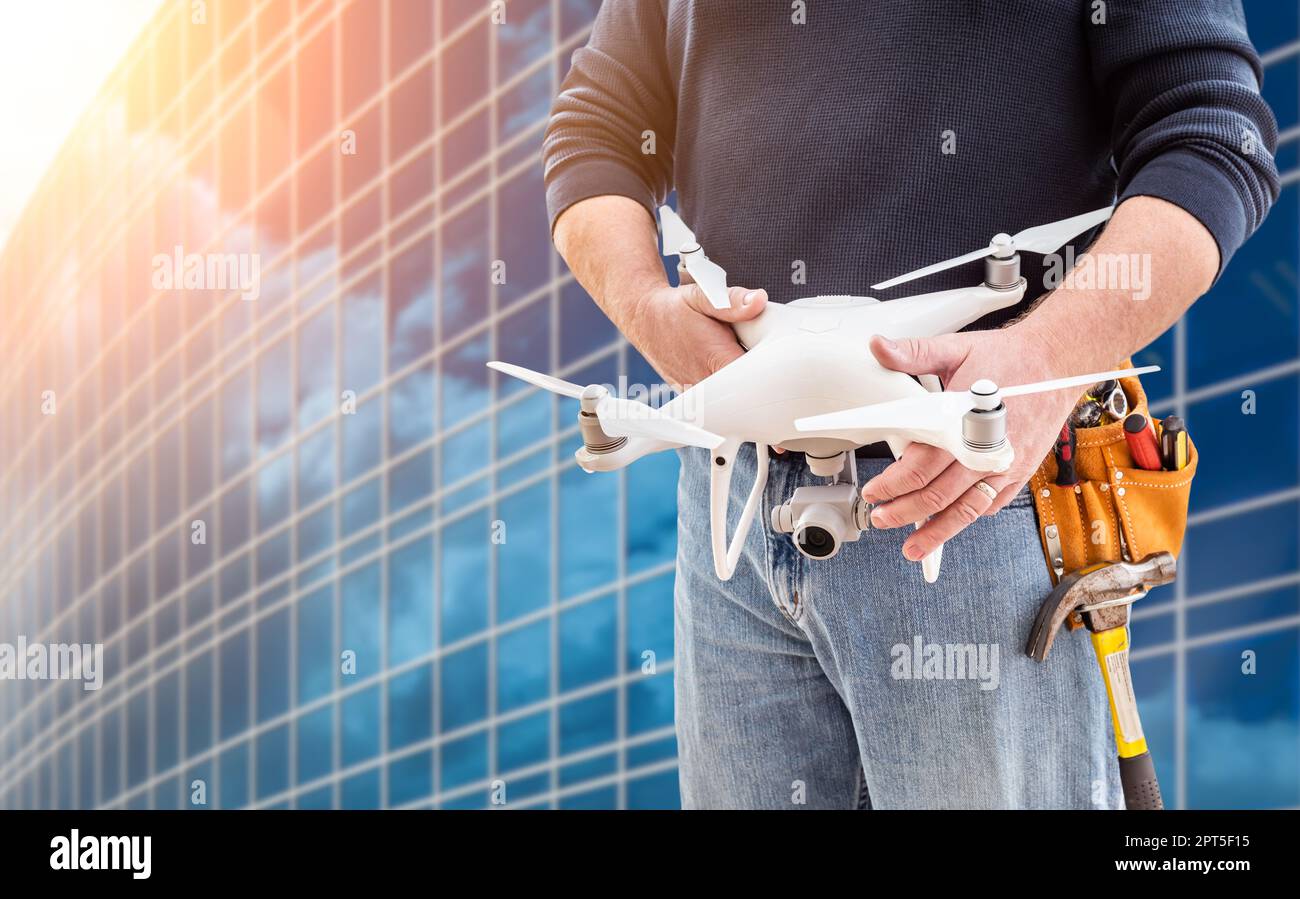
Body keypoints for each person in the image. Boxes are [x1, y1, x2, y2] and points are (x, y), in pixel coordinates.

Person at [540, 0, 1278, 808]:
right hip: (734, 518)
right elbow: (596, 131)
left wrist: (1047, 357)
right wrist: (647, 309)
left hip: (976, 507)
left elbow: (1212, 137)